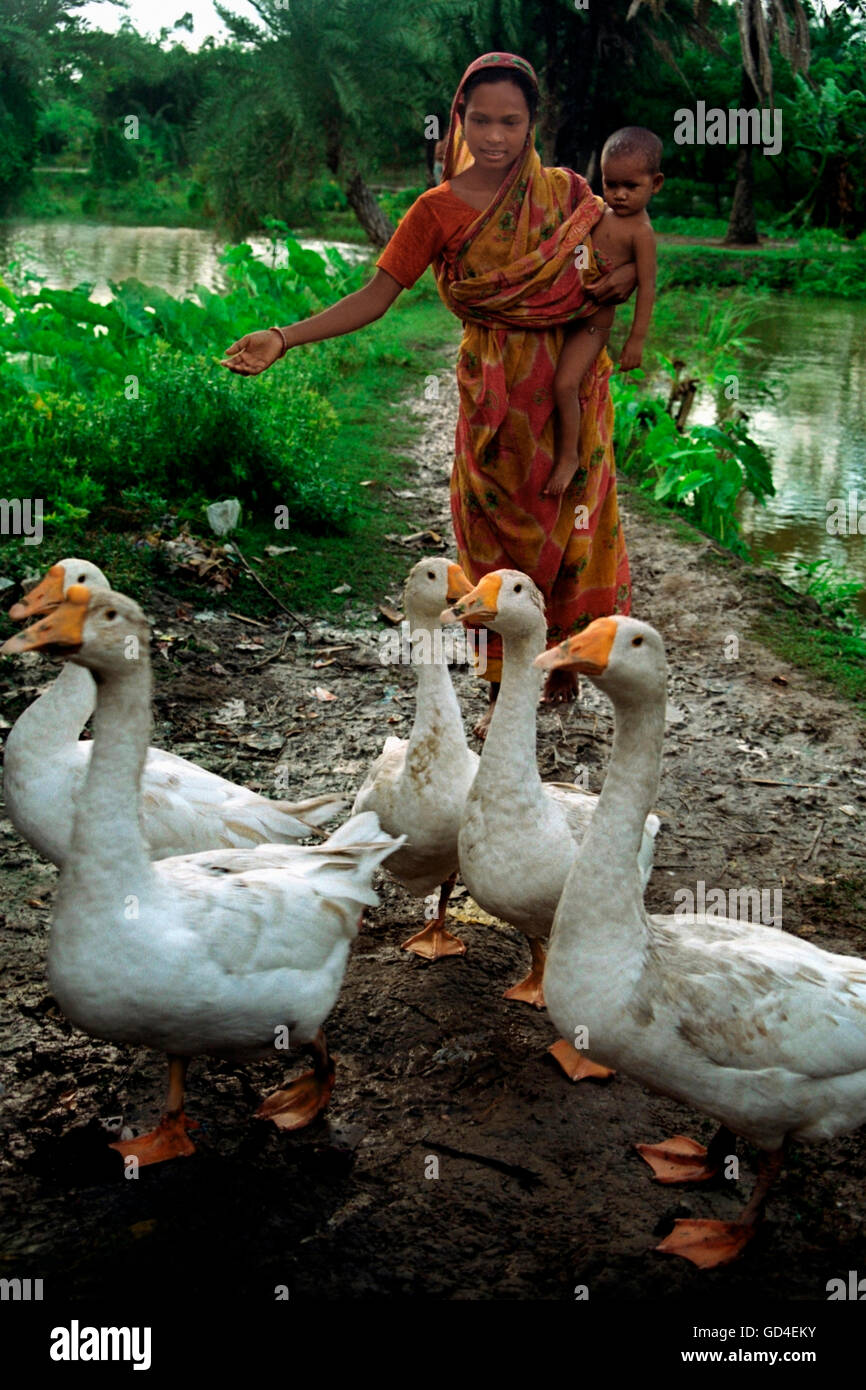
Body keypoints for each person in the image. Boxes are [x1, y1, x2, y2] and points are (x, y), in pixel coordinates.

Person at [221, 52, 636, 737]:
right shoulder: (437, 210)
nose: (496, 136)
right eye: (481, 121)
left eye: (511, 120)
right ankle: (508, 699)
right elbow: (377, 296)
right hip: (495, 406)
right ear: (458, 121)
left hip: (569, 397)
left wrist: (619, 291)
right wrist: (282, 336)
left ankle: (561, 671)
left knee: (572, 533)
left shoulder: (568, 196)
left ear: (534, 122)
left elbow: (611, 270)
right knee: (500, 543)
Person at [545, 126, 663, 497]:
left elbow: (647, 288)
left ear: (655, 184)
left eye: (631, 186)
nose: (620, 194)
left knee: (564, 384)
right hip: (562, 312)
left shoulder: (641, 233)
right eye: (611, 184)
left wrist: (636, 341)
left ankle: (569, 457)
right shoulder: (596, 211)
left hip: (592, 324)